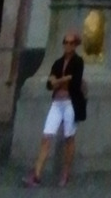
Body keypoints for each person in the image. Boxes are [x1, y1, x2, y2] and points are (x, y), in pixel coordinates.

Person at [23, 30, 85, 187]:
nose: (68, 45)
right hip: (57, 103)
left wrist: (59, 80)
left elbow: (75, 81)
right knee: (46, 136)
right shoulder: (58, 62)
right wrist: (62, 80)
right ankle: (37, 174)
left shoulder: (78, 62)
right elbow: (49, 84)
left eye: (72, 43)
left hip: (71, 103)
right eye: (66, 42)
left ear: (76, 45)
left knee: (69, 138)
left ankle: (66, 172)